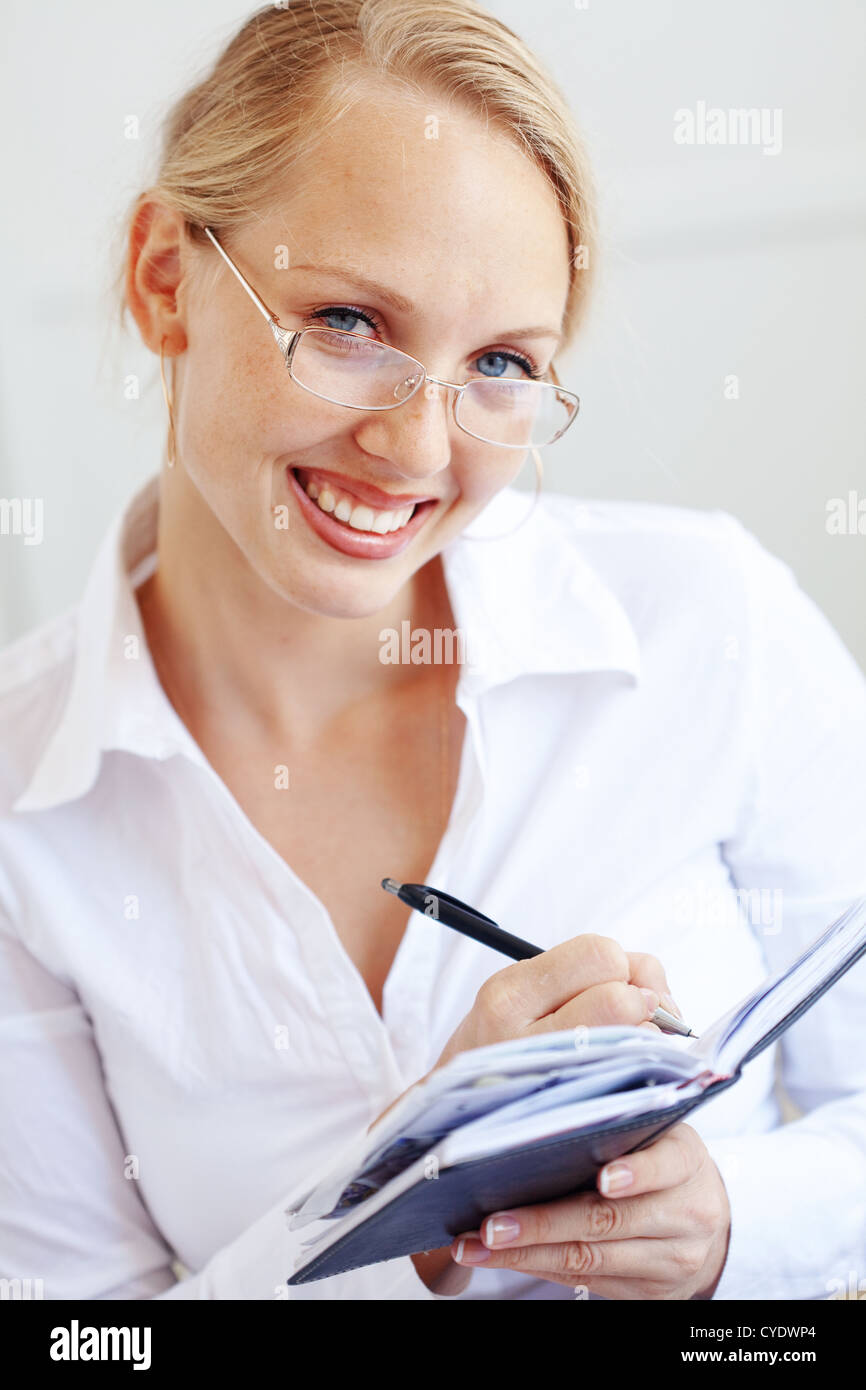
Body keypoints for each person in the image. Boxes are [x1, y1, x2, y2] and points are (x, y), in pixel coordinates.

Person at [1, 0, 865, 1302]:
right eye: (348, 322)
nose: (415, 450)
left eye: (502, 361)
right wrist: (409, 1191)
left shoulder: (709, 619)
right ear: (163, 279)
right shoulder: (26, 808)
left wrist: (734, 1217)